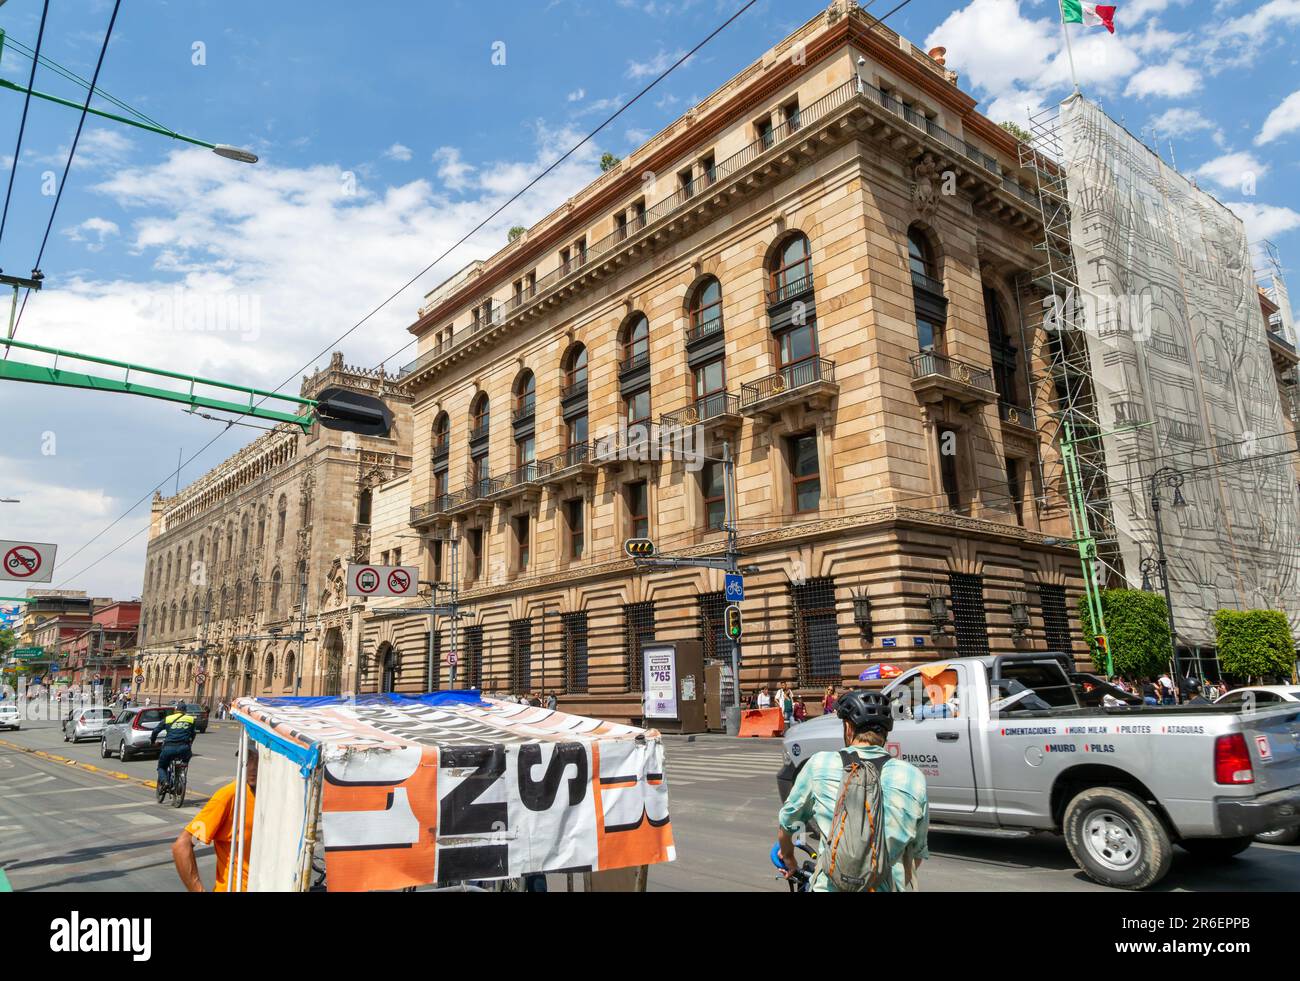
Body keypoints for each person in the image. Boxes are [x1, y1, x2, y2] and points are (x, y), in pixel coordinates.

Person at [778, 691, 928, 892]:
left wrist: (789, 858)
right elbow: (917, 854)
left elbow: (788, 823)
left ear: (848, 728)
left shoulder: (819, 764)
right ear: (885, 733)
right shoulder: (913, 777)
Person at [172, 747, 258, 892]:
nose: (253, 767)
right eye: (248, 759)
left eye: (259, 760)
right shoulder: (229, 796)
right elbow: (182, 846)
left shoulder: (280, 797)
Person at [150, 704, 198, 792]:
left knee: (161, 767)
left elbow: (155, 731)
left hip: (169, 747)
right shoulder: (191, 719)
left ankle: (165, 782)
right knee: (186, 758)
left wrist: (153, 742)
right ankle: (182, 769)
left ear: (176, 710)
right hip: (184, 748)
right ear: (185, 711)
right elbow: (193, 733)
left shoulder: (168, 719)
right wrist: (190, 743)